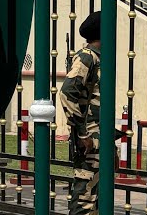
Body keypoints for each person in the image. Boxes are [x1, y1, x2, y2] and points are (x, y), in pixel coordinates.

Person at [60, 11, 102, 215]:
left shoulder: (97, 58)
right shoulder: (87, 57)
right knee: (85, 199)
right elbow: (67, 92)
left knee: (96, 199)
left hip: (98, 137)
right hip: (90, 139)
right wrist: (82, 133)